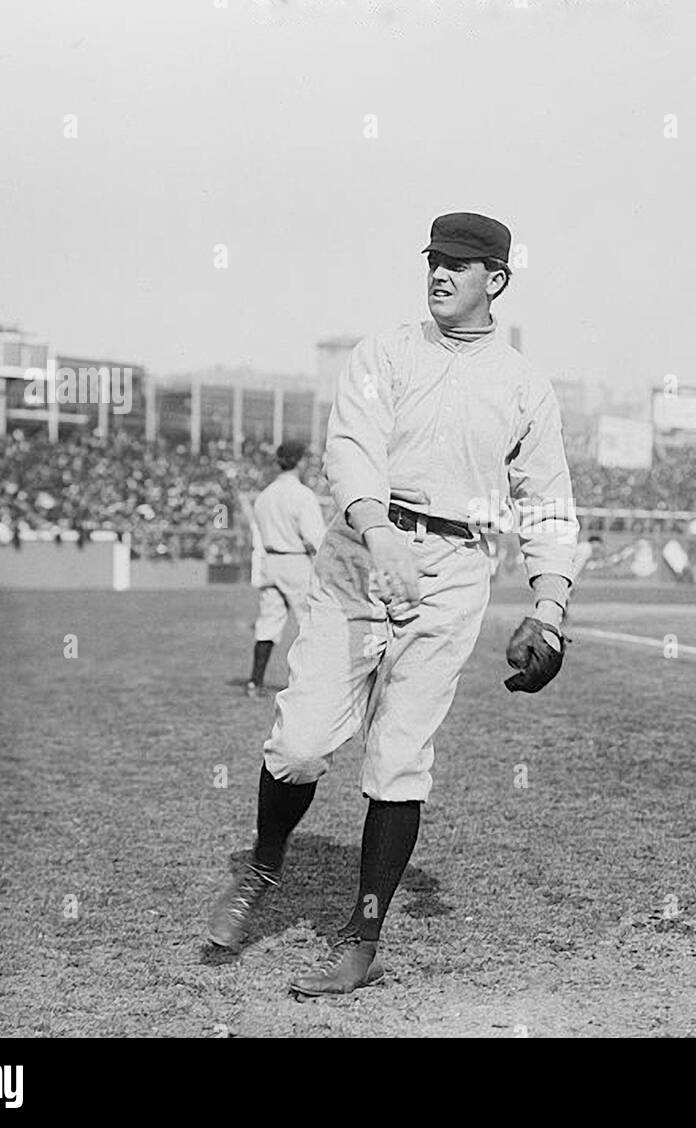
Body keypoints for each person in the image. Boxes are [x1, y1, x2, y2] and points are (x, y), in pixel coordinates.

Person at [207, 212, 579, 996]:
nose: (441, 273)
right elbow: (351, 449)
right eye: (435, 259)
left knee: (399, 758)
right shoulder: (384, 352)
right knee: (302, 742)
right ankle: (262, 871)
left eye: (461, 264)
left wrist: (549, 606)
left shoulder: (522, 385)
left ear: (496, 281)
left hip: (454, 567)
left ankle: (361, 938)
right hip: (362, 552)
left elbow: (546, 501)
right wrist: (380, 536)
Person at [244, 441, 327, 697]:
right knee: (309, 622)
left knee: (268, 622)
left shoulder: (265, 495)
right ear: (300, 461)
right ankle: (306, 683)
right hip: (296, 561)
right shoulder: (302, 494)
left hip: (271, 561)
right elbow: (315, 537)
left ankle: (255, 682)